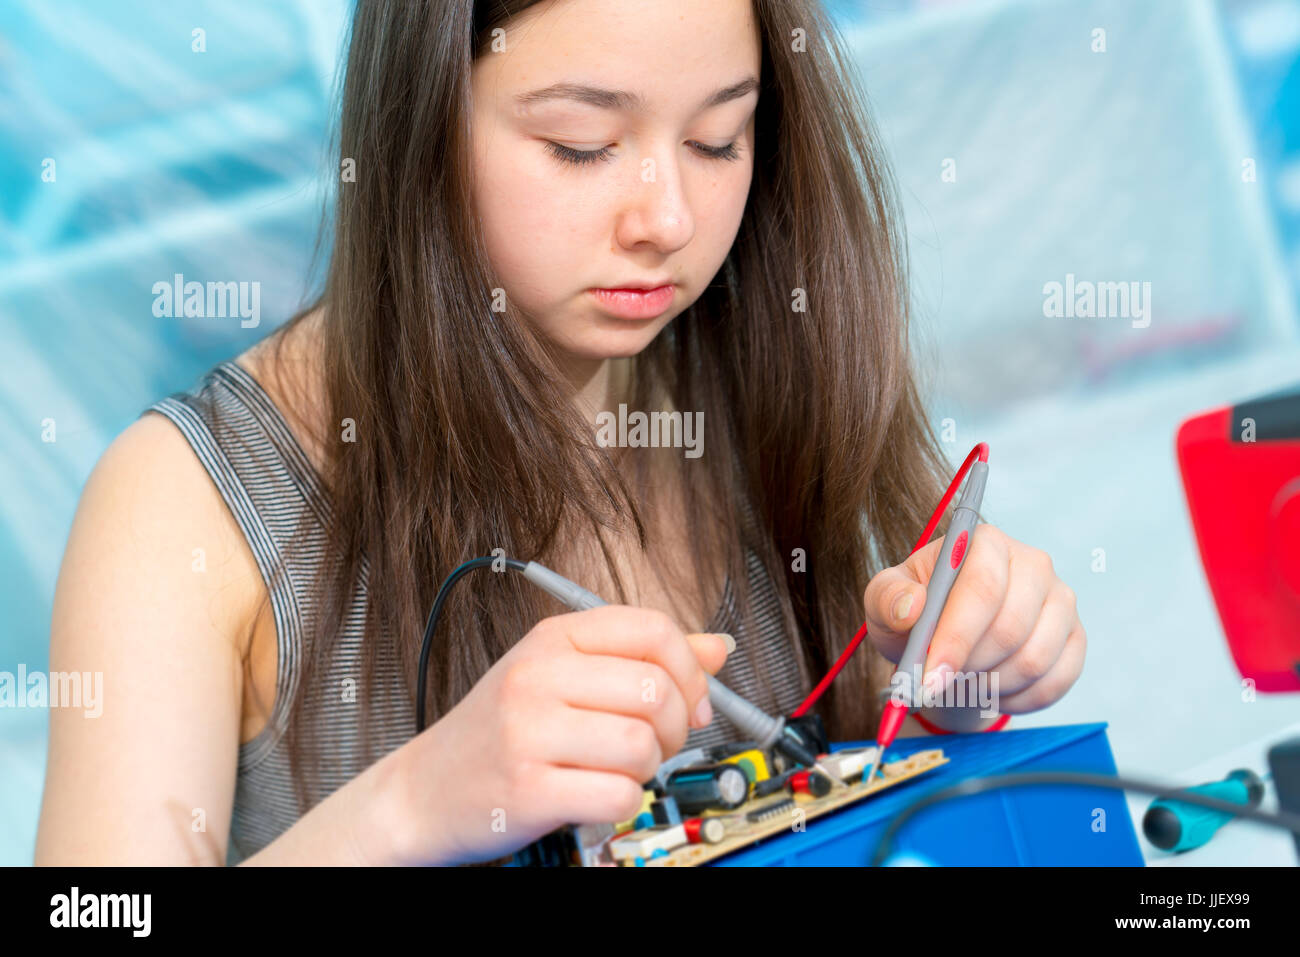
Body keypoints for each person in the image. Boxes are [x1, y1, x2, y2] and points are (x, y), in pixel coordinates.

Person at [35, 0, 1085, 867]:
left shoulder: (767, 372)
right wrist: (406, 811)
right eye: (581, 147)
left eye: (719, 137)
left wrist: (945, 703)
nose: (667, 218)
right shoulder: (185, 500)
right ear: (419, 125)